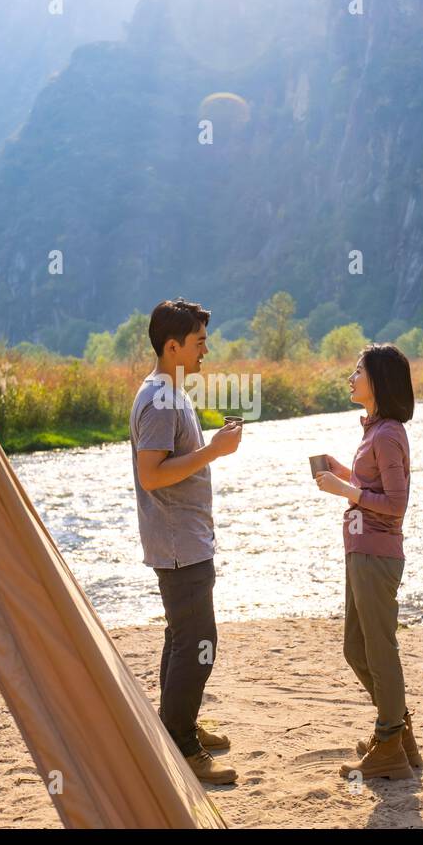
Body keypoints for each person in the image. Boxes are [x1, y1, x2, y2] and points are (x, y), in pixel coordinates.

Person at [130, 298, 242, 785]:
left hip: (181, 539)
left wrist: (208, 448)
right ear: (172, 347)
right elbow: (151, 476)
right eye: (198, 344)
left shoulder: (169, 392)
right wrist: (214, 451)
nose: (205, 352)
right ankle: (183, 745)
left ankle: (177, 725)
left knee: (183, 638)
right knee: (200, 641)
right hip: (179, 544)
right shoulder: (159, 399)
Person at [314, 343, 420, 781]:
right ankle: (398, 734)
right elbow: (371, 481)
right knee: (356, 648)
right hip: (361, 550)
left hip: (376, 553)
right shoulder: (375, 432)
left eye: (358, 371)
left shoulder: (389, 432)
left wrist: (346, 492)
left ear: (378, 381)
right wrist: (345, 473)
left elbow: (396, 504)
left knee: (379, 649)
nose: (351, 377)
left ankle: (390, 741)